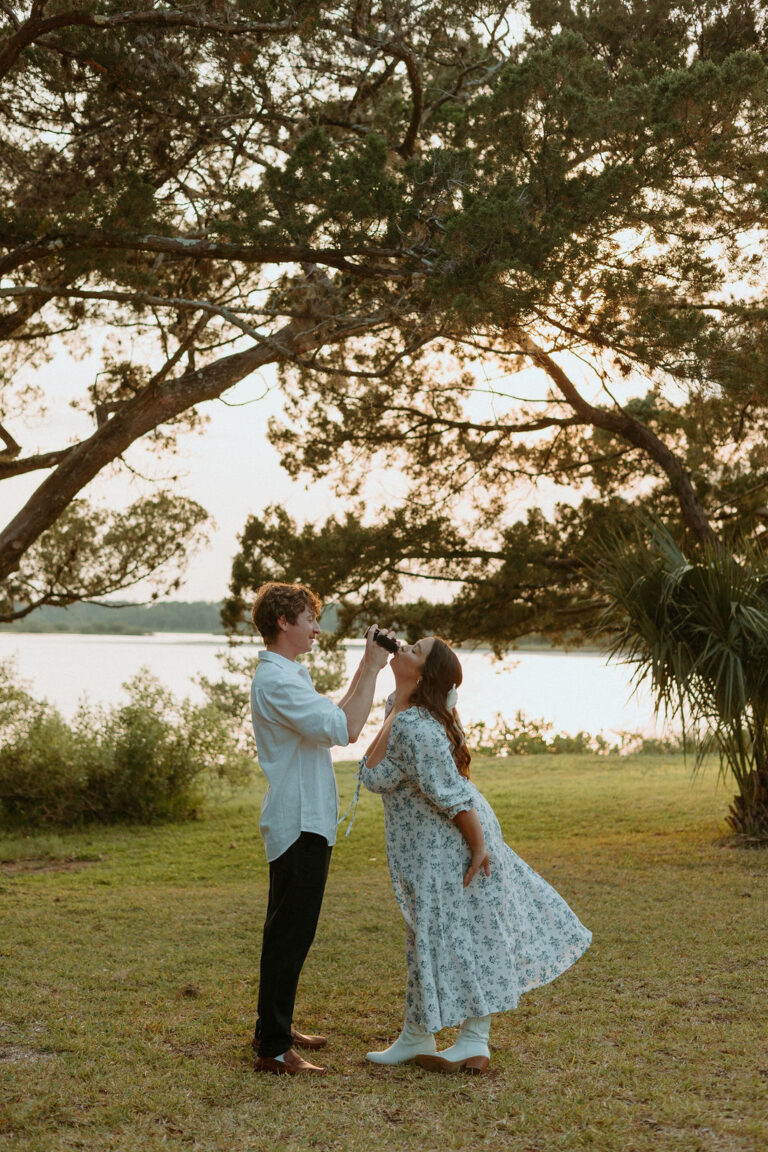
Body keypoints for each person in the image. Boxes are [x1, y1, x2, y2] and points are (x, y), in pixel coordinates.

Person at [360, 635, 592, 1074]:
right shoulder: (410, 714)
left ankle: (471, 1040)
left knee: (468, 936)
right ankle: (419, 1035)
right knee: (429, 935)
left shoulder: (414, 724)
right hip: (430, 845)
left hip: (451, 843)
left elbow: (448, 797)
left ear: (424, 674)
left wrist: (480, 846)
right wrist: (396, 705)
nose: (403, 649)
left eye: (415, 650)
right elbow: (374, 771)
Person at [249, 581, 391, 1076]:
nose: (316, 627)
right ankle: (274, 1047)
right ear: (283, 623)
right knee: (291, 933)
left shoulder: (289, 675)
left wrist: (363, 668)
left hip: (304, 817)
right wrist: (373, 668)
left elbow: (332, 716)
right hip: (299, 821)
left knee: (286, 931)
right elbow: (345, 730)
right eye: (309, 619)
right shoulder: (279, 682)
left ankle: (274, 1027)